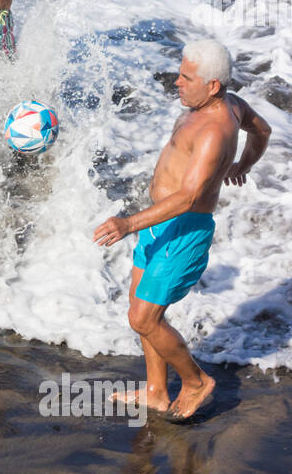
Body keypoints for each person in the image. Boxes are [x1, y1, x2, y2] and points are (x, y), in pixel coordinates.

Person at [92, 40, 271, 421]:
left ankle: (195, 382)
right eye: (180, 73)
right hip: (159, 222)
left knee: (143, 319)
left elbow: (190, 197)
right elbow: (263, 131)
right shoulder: (231, 104)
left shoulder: (213, 130)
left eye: (187, 78)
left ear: (213, 87)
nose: (177, 82)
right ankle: (156, 391)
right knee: (140, 308)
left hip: (183, 229)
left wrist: (127, 224)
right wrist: (244, 164)